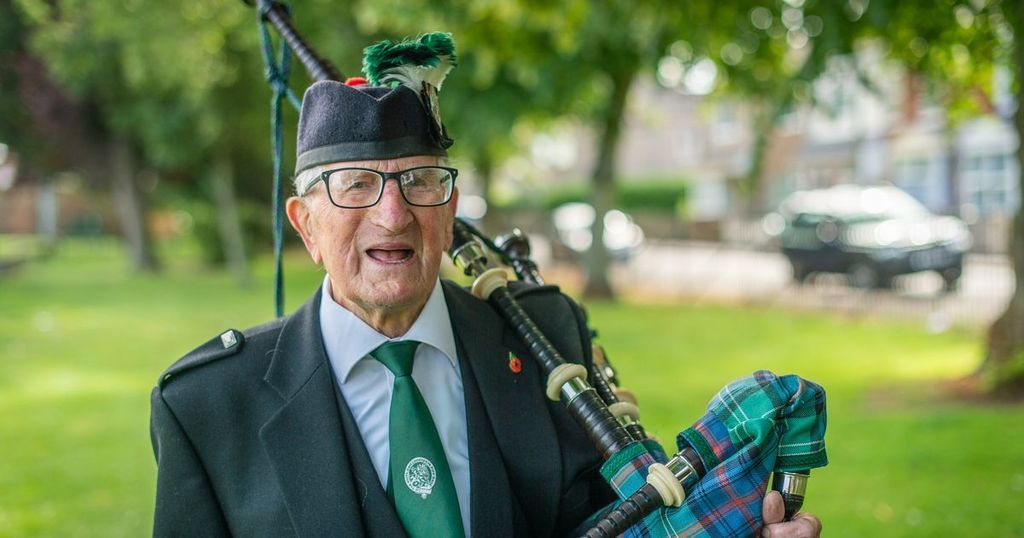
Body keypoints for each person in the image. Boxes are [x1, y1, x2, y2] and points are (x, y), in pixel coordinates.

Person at [150, 35, 821, 538]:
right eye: (356, 184)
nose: (393, 213)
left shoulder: (546, 341)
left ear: (450, 208)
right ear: (305, 223)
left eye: (420, 180)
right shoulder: (210, 407)